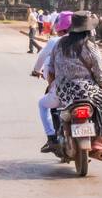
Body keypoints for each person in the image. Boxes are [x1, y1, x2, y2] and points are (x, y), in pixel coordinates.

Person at [51, 12, 102, 158]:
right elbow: (100, 75)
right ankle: (100, 140)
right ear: (88, 30)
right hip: (87, 91)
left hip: (63, 91)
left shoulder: (59, 44)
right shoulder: (91, 46)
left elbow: (51, 70)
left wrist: (53, 86)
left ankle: (57, 136)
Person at [31, 11, 73, 153]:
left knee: (42, 104)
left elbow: (42, 57)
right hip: (85, 91)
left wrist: (36, 70)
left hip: (61, 91)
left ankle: (51, 137)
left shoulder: (55, 42)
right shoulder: (85, 41)